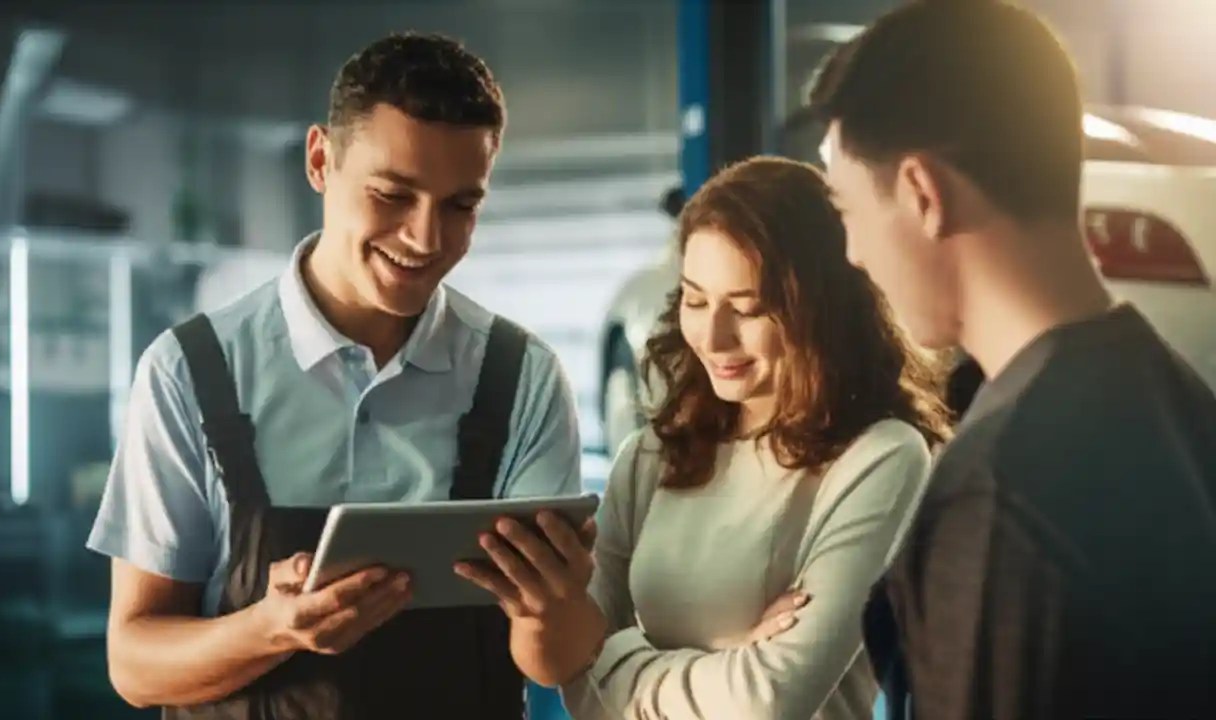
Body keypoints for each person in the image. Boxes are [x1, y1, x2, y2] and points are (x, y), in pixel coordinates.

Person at [86, 32, 591, 718]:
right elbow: (136, 666)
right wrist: (272, 628)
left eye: (459, 206)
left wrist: (548, 610)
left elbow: (553, 663)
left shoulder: (522, 378)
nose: (426, 239)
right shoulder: (191, 374)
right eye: (392, 195)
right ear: (321, 160)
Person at [810, 1, 1216, 718]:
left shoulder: (996, 499)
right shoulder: (1179, 401)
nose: (851, 254)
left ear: (921, 194)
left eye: (847, 214)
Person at [458, 156, 951, 718]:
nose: (714, 337)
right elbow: (559, 669)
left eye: (748, 308)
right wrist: (724, 660)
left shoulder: (879, 456)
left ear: (821, 310)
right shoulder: (652, 454)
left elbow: (767, 699)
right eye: (694, 300)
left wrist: (603, 651)